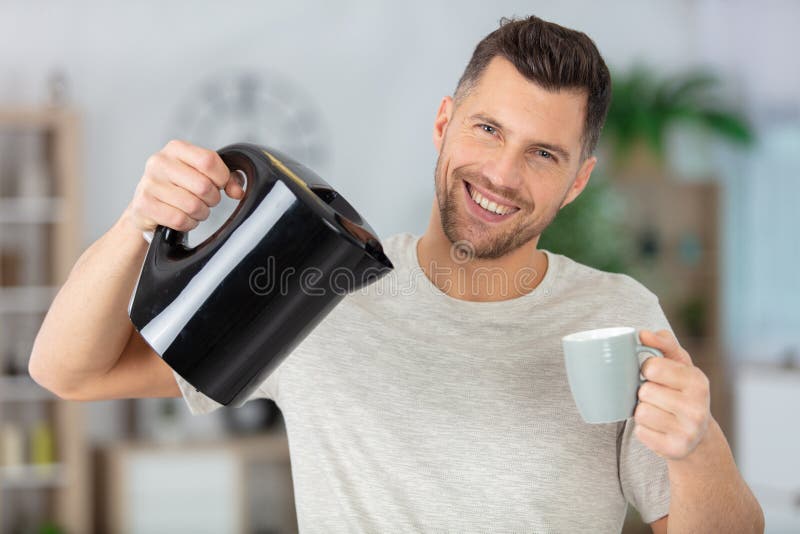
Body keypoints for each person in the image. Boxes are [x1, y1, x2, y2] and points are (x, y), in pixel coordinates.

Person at [29, 14, 763, 533]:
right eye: (488, 129)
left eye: (543, 154)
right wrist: (137, 224)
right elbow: (70, 373)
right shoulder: (320, 284)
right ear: (444, 124)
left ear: (577, 181)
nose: (502, 174)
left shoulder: (616, 316)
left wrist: (697, 449)